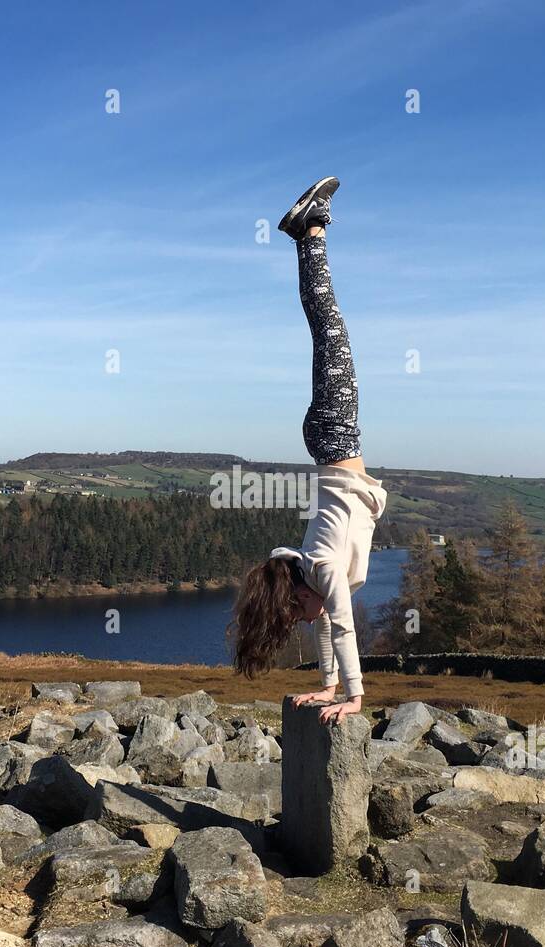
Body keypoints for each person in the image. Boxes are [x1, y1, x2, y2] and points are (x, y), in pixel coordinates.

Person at [230, 177, 387, 725]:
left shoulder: (317, 568)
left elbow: (339, 623)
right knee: (327, 332)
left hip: (335, 437)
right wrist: (327, 686)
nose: (305, 616)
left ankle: (310, 231)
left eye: (294, 608)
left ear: (296, 586)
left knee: (330, 329)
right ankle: (307, 234)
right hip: (329, 441)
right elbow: (327, 624)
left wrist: (354, 695)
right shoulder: (311, 575)